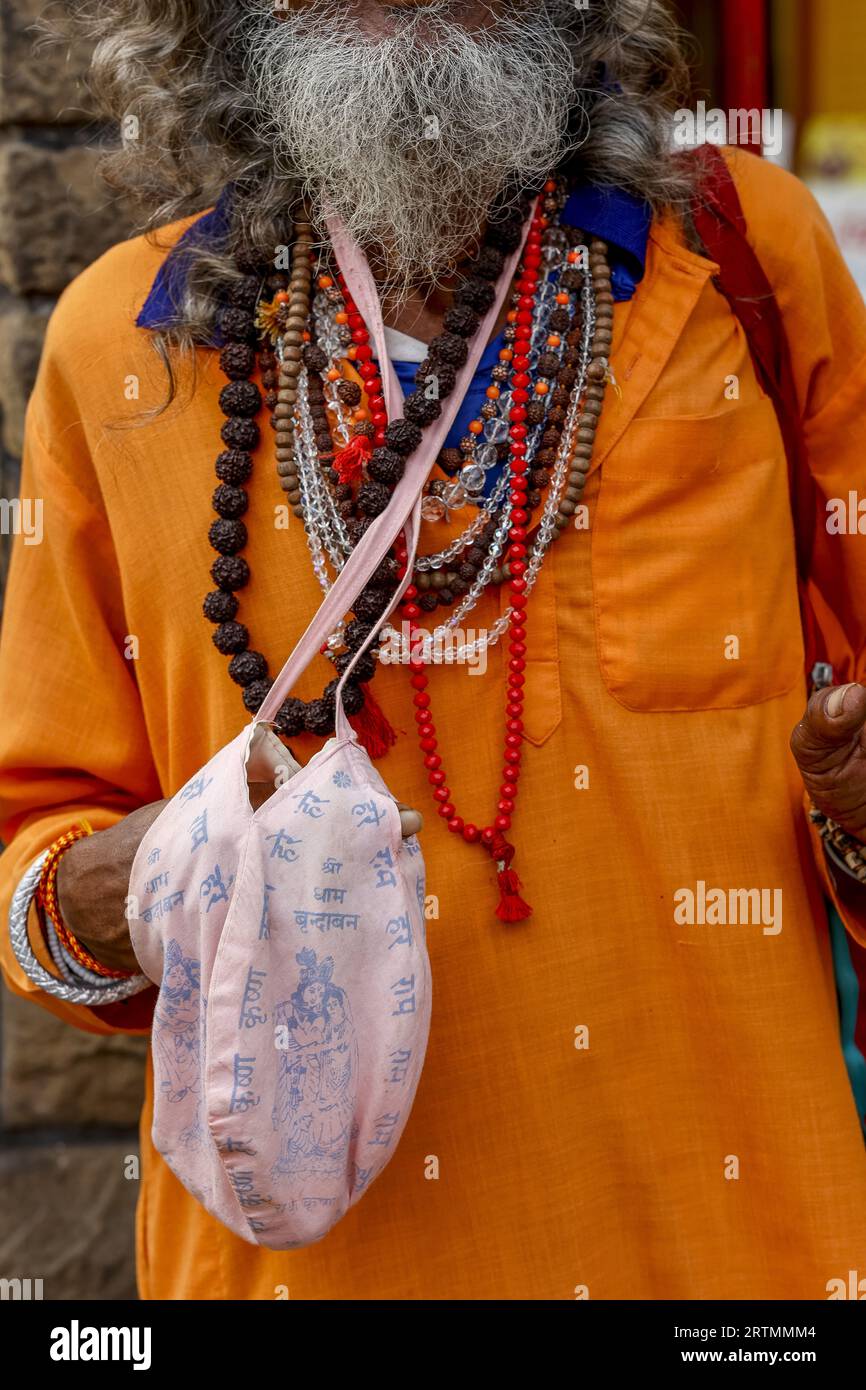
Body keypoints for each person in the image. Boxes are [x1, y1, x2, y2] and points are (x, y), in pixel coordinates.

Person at [1, 0, 866, 1300]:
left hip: (735, 1263)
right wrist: (119, 887)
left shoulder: (747, 256)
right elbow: (36, 849)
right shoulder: (122, 340)